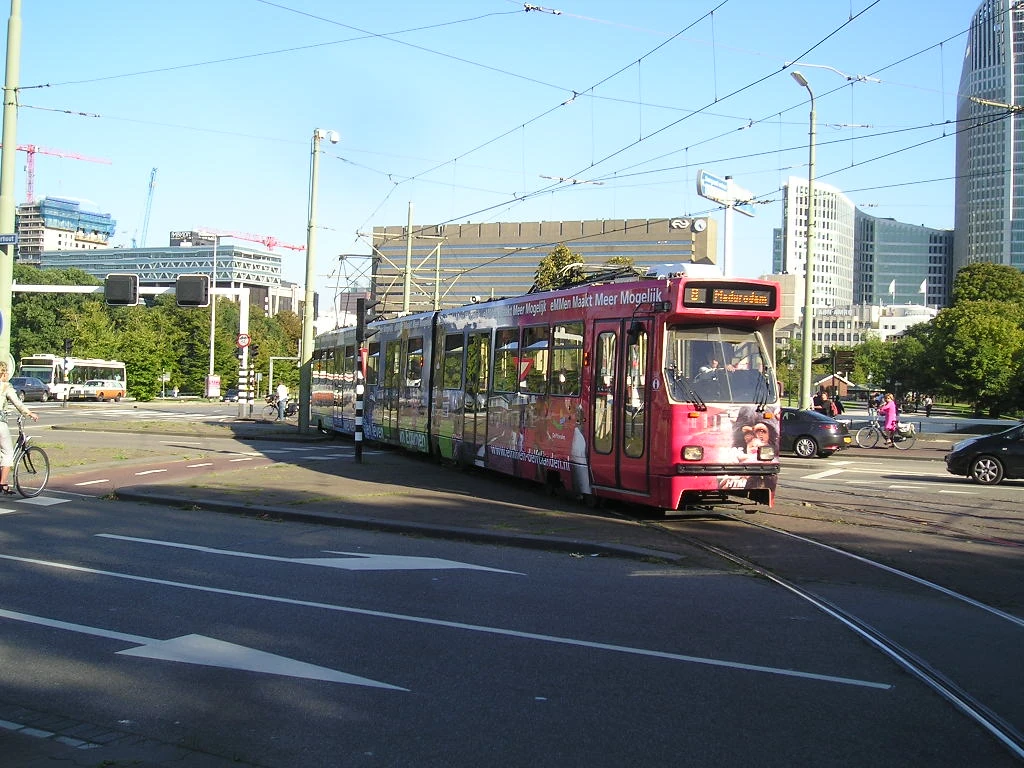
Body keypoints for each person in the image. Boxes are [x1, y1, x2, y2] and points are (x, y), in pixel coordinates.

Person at [0, 361, 39, 494]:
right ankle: (3, 483)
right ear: (4, 373)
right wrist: (29, 413)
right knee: (7, 453)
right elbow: (18, 403)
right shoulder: (5, 387)